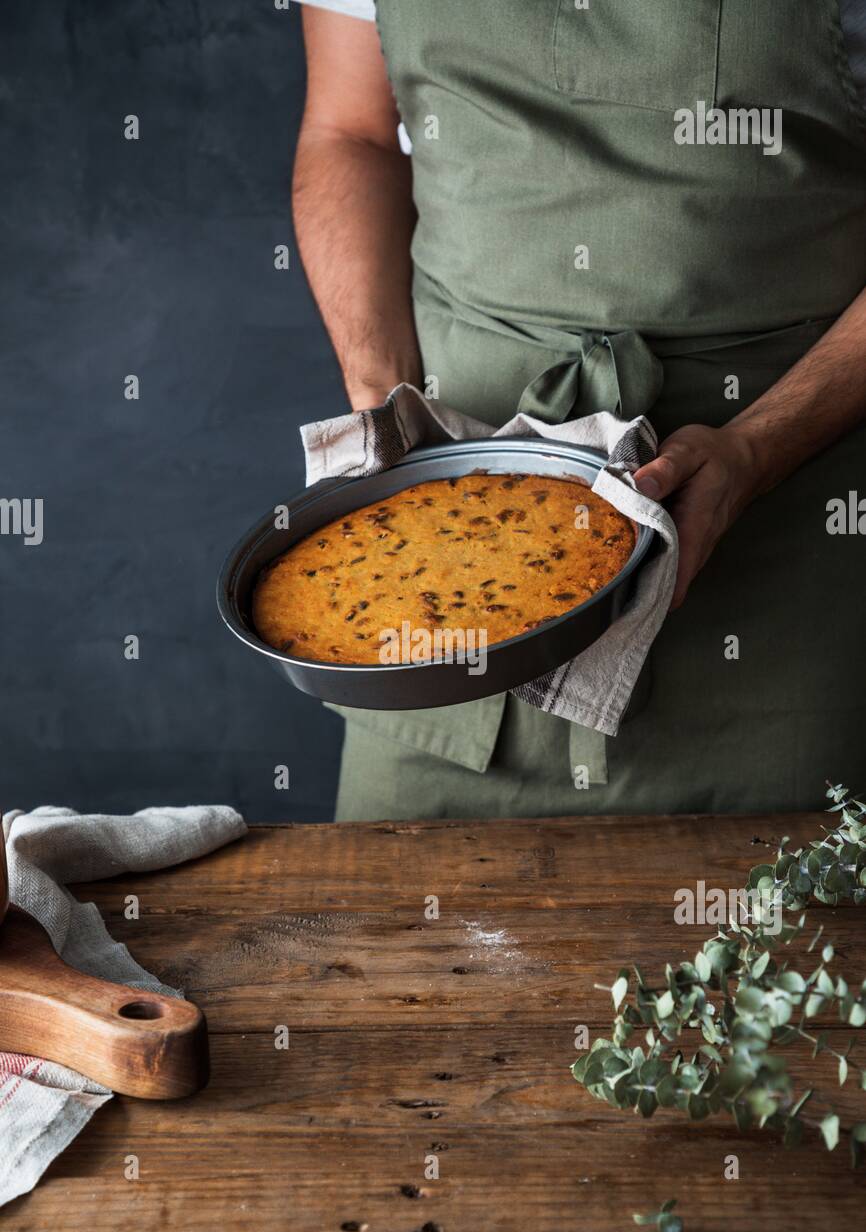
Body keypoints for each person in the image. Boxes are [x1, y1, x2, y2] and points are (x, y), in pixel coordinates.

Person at [293, 1, 866, 821]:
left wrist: (757, 450)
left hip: (779, 543)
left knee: (789, 934)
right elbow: (352, 132)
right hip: (442, 540)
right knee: (395, 939)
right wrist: (383, 396)